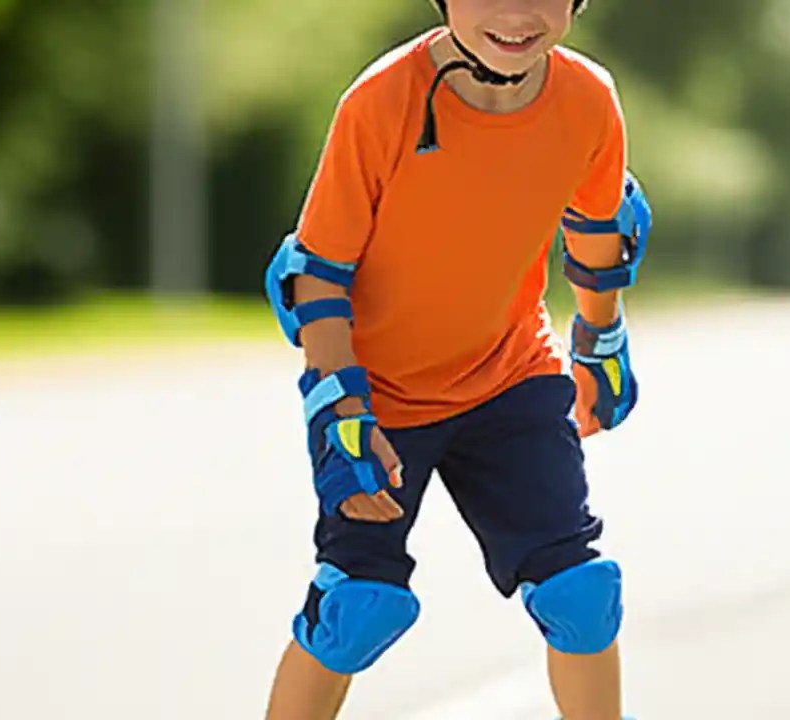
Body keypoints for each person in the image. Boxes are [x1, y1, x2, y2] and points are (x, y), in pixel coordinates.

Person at [262, 0, 652, 717]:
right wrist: (338, 412)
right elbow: (315, 275)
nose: (516, 13)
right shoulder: (381, 104)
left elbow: (601, 229)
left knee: (582, 596)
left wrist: (601, 348)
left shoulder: (588, 99)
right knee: (356, 607)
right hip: (379, 397)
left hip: (509, 376)